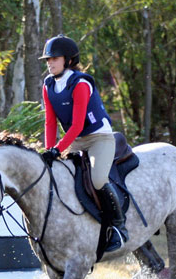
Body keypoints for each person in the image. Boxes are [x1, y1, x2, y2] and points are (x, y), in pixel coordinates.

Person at [39, 35, 128, 252]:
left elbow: (78, 125)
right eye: (47, 60)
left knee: (98, 180)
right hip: (75, 140)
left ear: (68, 60)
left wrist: (58, 149)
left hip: (99, 138)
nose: (49, 63)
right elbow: (50, 122)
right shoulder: (48, 85)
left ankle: (118, 227)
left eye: (54, 58)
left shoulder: (80, 83)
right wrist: (49, 150)